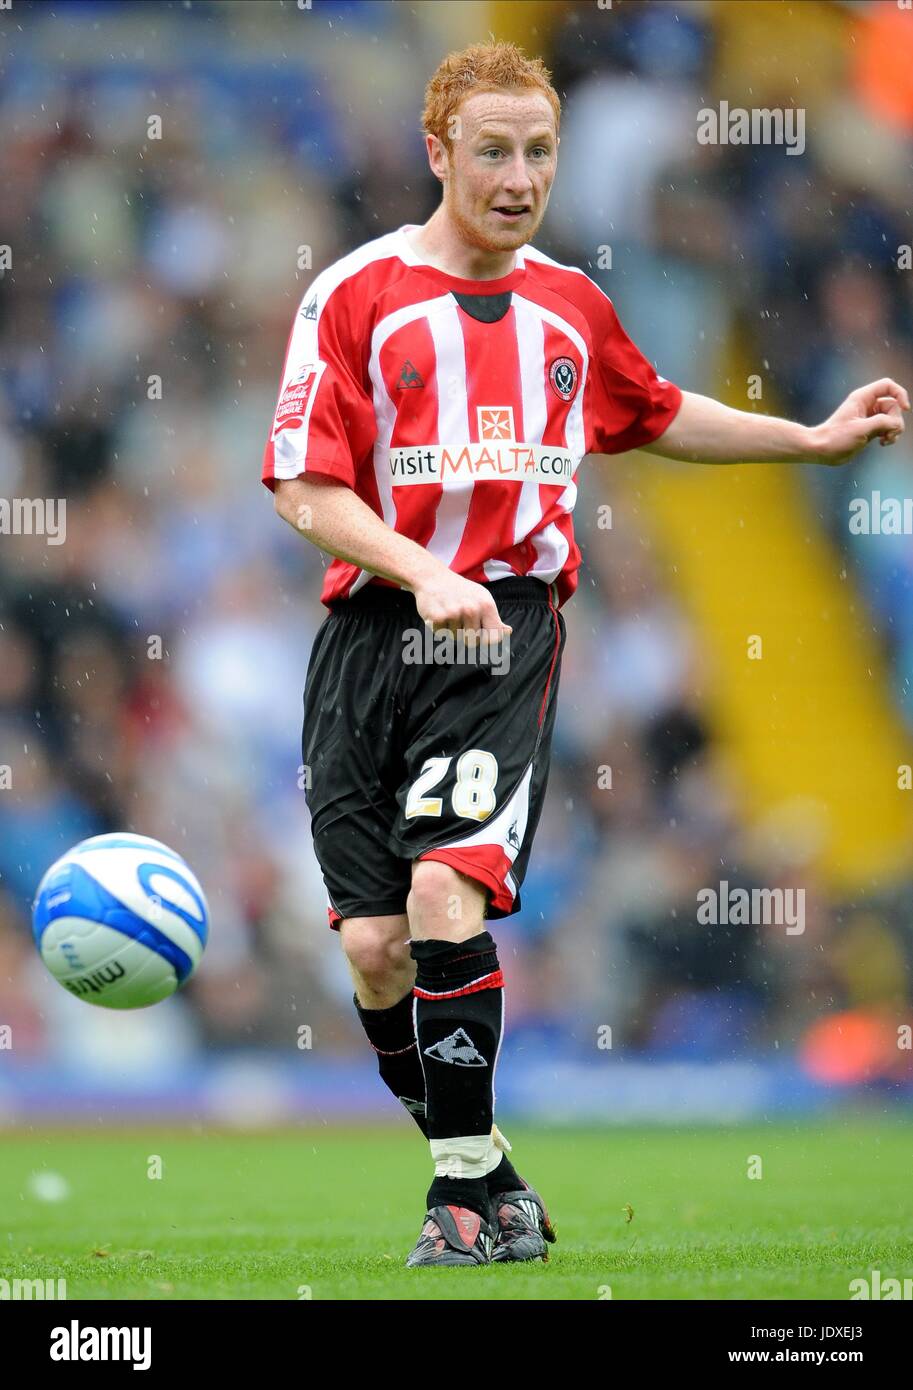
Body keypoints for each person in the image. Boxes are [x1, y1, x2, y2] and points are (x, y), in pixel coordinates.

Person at [263, 41, 908, 1267]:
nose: (519, 177)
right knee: (371, 944)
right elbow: (303, 485)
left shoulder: (568, 303)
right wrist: (420, 569)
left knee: (446, 891)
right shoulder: (353, 295)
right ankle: (488, 1169)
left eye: (539, 152)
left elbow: (654, 409)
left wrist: (810, 440)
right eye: (493, 151)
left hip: (502, 634)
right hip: (367, 640)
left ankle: (458, 1203)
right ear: (437, 150)